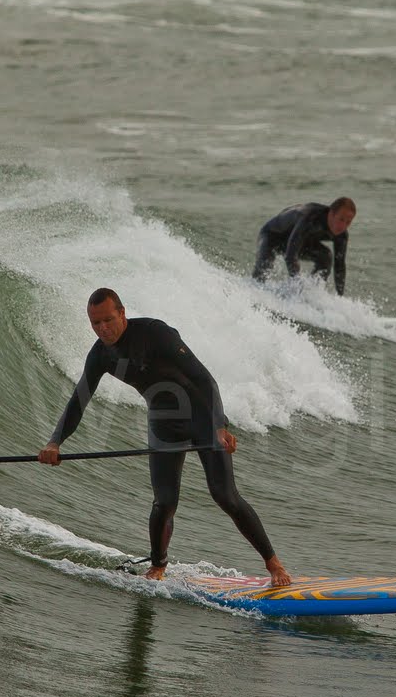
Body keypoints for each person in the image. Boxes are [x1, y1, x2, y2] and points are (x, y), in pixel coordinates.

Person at [39, 288, 293, 588]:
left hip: (201, 418)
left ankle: (274, 564)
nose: (103, 328)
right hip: (163, 423)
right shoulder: (100, 355)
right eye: (96, 323)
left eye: (108, 320)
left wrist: (219, 426)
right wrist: (55, 442)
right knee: (164, 502)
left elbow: (204, 380)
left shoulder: (155, 333)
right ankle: (158, 565)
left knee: (225, 495)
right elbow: (78, 401)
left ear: (122, 313)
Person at [250, 197, 356, 295]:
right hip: (272, 236)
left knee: (326, 256)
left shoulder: (342, 235)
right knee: (262, 272)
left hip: (299, 241)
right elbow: (291, 255)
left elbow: (339, 267)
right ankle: (252, 295)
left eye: (348, 222)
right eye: (341, 219)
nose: (343, 226)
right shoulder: (310, 217)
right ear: (331, 213)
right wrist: (298, 286)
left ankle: (313, 293)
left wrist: (340, 296)